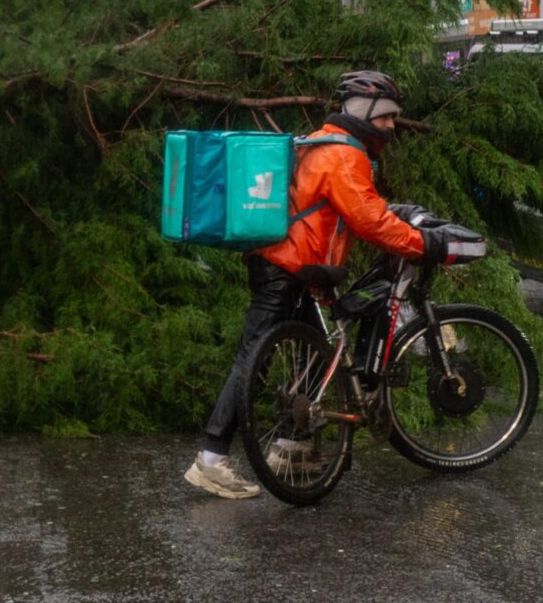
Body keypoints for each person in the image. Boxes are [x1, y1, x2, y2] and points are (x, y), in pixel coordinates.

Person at [183, 70, 452, 500]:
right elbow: (368, 221)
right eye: (385, 117)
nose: (390, 125)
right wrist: (425, 244)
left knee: (314, 352)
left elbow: (356, 206)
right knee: (252, 359)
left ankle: (291, 447)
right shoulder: (345, 155)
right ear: (364, 112)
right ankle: (210, 460)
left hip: (292, 265)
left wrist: (397, 216)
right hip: (287, 266)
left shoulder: (326, 142)